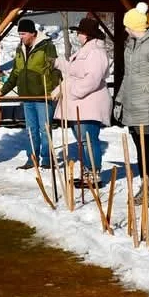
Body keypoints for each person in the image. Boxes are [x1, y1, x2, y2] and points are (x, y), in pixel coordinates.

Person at [113, 2, 149, 202]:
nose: (125, 29)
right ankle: (145, 184)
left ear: (134, 26)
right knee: (140, 148)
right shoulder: (131, 46)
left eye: (127, 26)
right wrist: (119, 100)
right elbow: (127, 77)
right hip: (133, 107)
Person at [0, 18, 61, 169]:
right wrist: (3, 90)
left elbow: (55, 69)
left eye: (23, 33)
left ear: (32, 33)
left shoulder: (47, 47)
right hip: (27, 96)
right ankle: (32, 159)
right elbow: (16, 73)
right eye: (19, 34)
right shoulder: (20, 49)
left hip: (43, 95)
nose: (21, 37)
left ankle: (47, 159)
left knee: (45, 129)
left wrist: (56, 89)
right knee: (31, 129)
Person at [54, 16, 111, 188]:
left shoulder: (96, 53)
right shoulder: (85, 52)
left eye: (79, 32)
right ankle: (87, 172)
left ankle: (94, 174)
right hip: (80, 104)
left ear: (86, 34)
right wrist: (58, 64)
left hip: (89, 104)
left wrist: (74, 92)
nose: (77, 35)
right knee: (83, 141)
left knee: (88, 140)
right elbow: (74, 72)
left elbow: (92, 79)